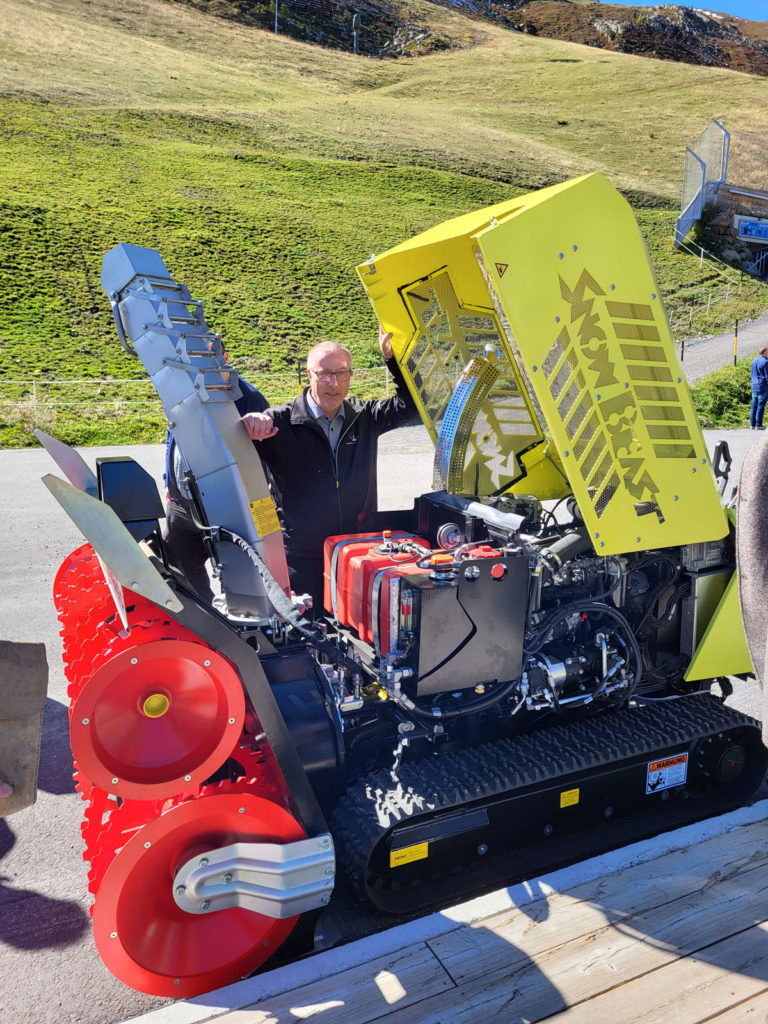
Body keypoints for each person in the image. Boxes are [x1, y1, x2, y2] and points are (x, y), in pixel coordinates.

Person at [242, 328, 417, 611]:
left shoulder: (365, 417)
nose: (332, 383)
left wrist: (392, 360)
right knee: (306, 637)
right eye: (324, 373)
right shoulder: (278, 423)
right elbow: (230, 447)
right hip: (303, 556)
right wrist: (247, 424)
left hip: (355, 552)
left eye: (341, 373)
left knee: (355, 635)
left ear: (350, 376)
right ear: (309, 375)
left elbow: (411, 404)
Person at [163, 362, 269, 602]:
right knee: (179, 564)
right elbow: (173, 438)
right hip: (181, 504)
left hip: (227, 506)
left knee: (240, 572)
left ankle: (241, 625)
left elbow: (266, 452)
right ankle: (204, 619)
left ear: (224, 356)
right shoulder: (180, 394)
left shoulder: (249, 398)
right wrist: (168, 481)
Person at [750, 345, 768, 431]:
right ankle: (758, 425)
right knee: (761, 406)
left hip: (754, 385)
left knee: (754, 405)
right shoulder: (765, 362)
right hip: (762, 386)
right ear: (765, 352)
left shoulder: (754, 360)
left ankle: (752, 425)